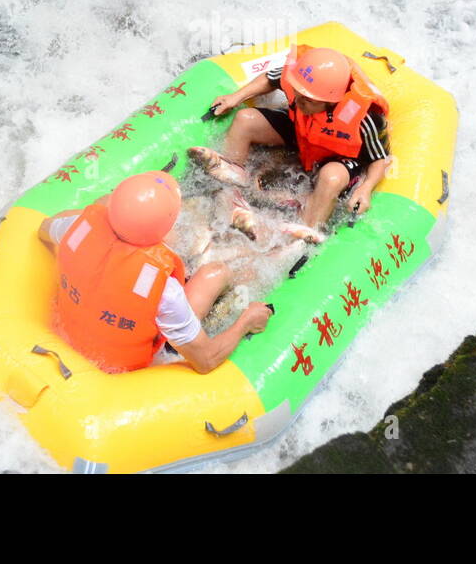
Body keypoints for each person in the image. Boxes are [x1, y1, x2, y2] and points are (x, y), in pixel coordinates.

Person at [37, 170, 271, 374]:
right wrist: (246, 322)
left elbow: (44, 228)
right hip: (122, 366)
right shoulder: (163, 291)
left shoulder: (77, 229)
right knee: (216, 272)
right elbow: (206, 360)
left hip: (70, 332)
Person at [190, 45, 391, 243]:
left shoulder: (364, 117)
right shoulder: (299, 78)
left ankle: (303, 234)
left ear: (331, 101)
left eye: (308, 100)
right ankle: (231, 190)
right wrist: (236, 97)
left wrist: (365, 188)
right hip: (302, 131)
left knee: (331, 177)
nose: (299, 100)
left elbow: (380, 158)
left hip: (338, 155)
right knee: (245, 119)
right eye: (298, 94)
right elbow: (271, 78)